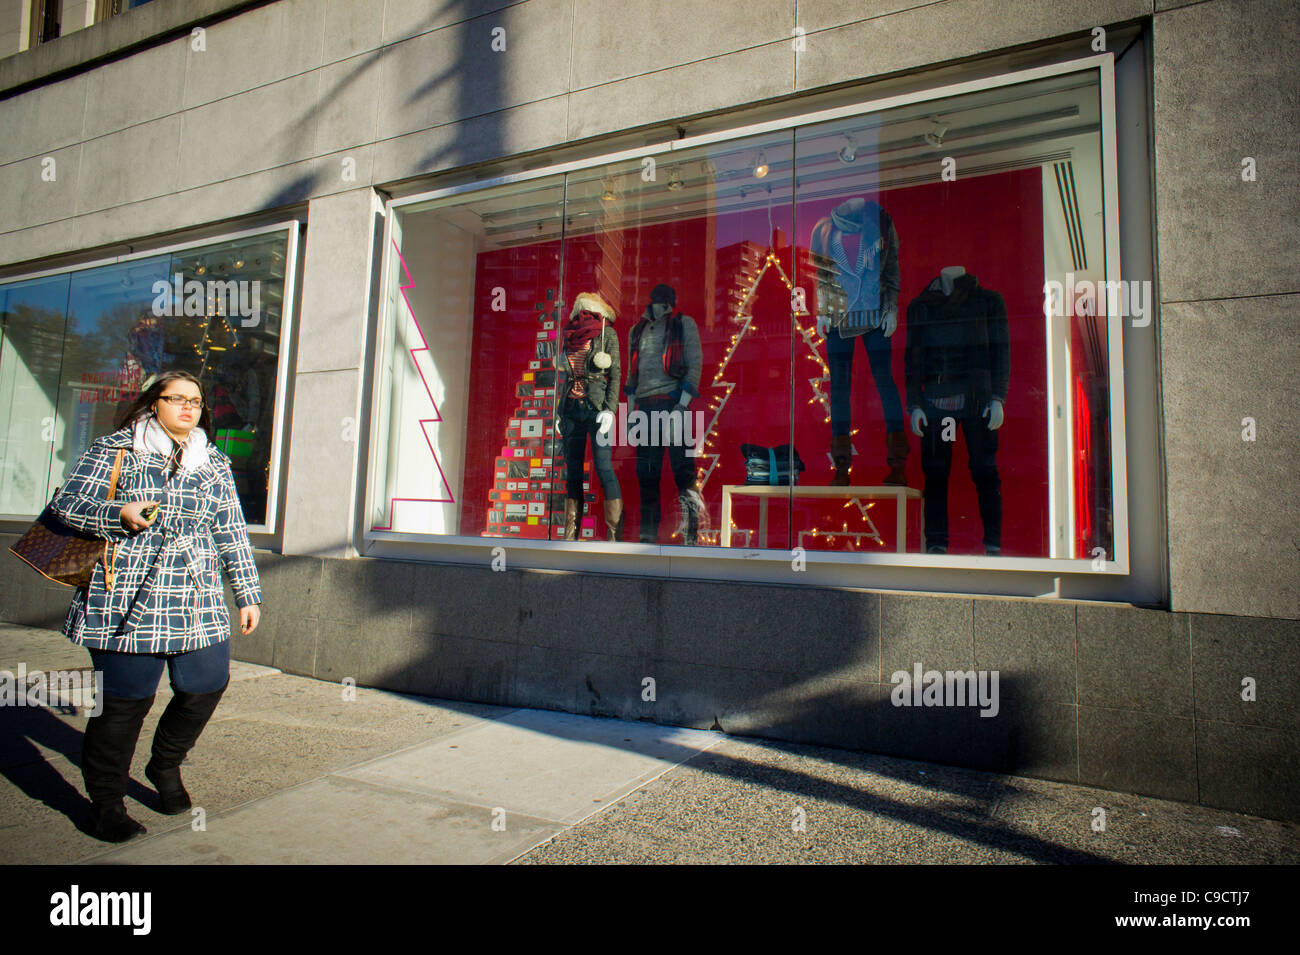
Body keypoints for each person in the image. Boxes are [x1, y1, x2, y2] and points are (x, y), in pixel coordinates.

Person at [51, 370, 262, 842]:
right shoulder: (114, 450)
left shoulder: (214, 463)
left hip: (197, 592)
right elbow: (66, 504)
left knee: (206, 684)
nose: (189, 408)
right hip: (125, 594)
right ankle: (105, 805)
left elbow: (231, 531)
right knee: (125, 706)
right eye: (177, 399)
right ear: (154, 403)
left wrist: (247, 593)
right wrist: (118, 513)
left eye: (196, 401)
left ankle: (163, 765)